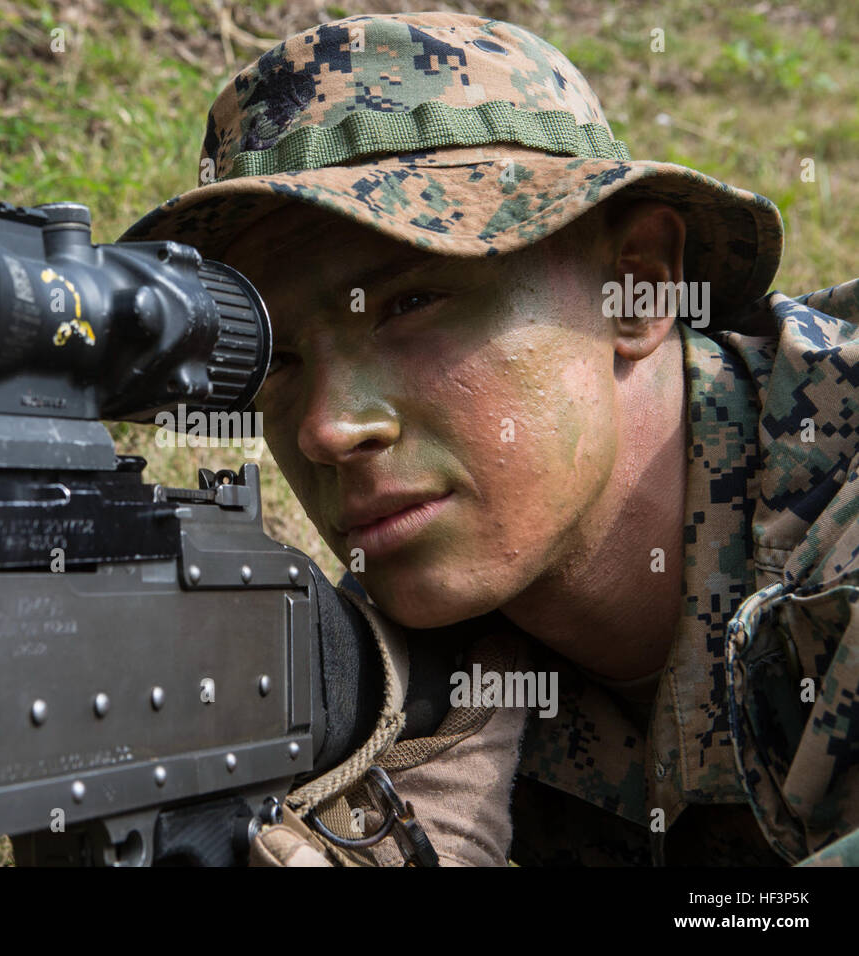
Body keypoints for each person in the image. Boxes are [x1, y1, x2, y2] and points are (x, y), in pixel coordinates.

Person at [119, 10, 859, 866]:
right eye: (274, 360)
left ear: (638, 288)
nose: (326, 429)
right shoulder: (384, 678)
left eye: (409, 304)